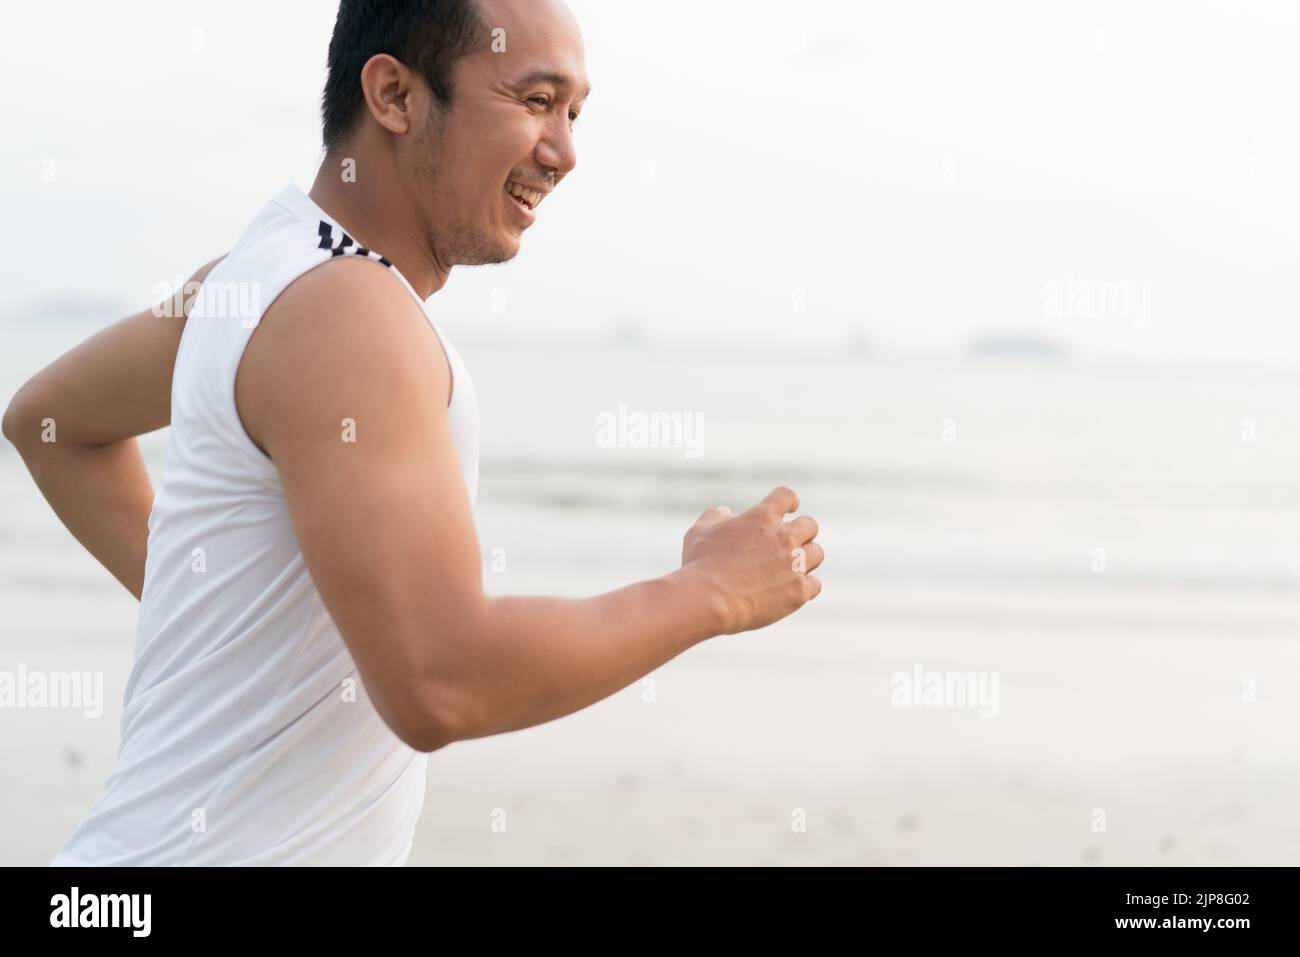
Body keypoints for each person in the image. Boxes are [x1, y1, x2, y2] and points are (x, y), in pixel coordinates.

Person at [2, 0, 824, 865]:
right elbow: (441, 681)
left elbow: (51, 427)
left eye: (576, 112)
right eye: (536, 100)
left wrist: (235, 630)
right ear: (394, 94)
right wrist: (712, 592)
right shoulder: (347, 309)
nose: (566, 151)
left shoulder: (251, 276)